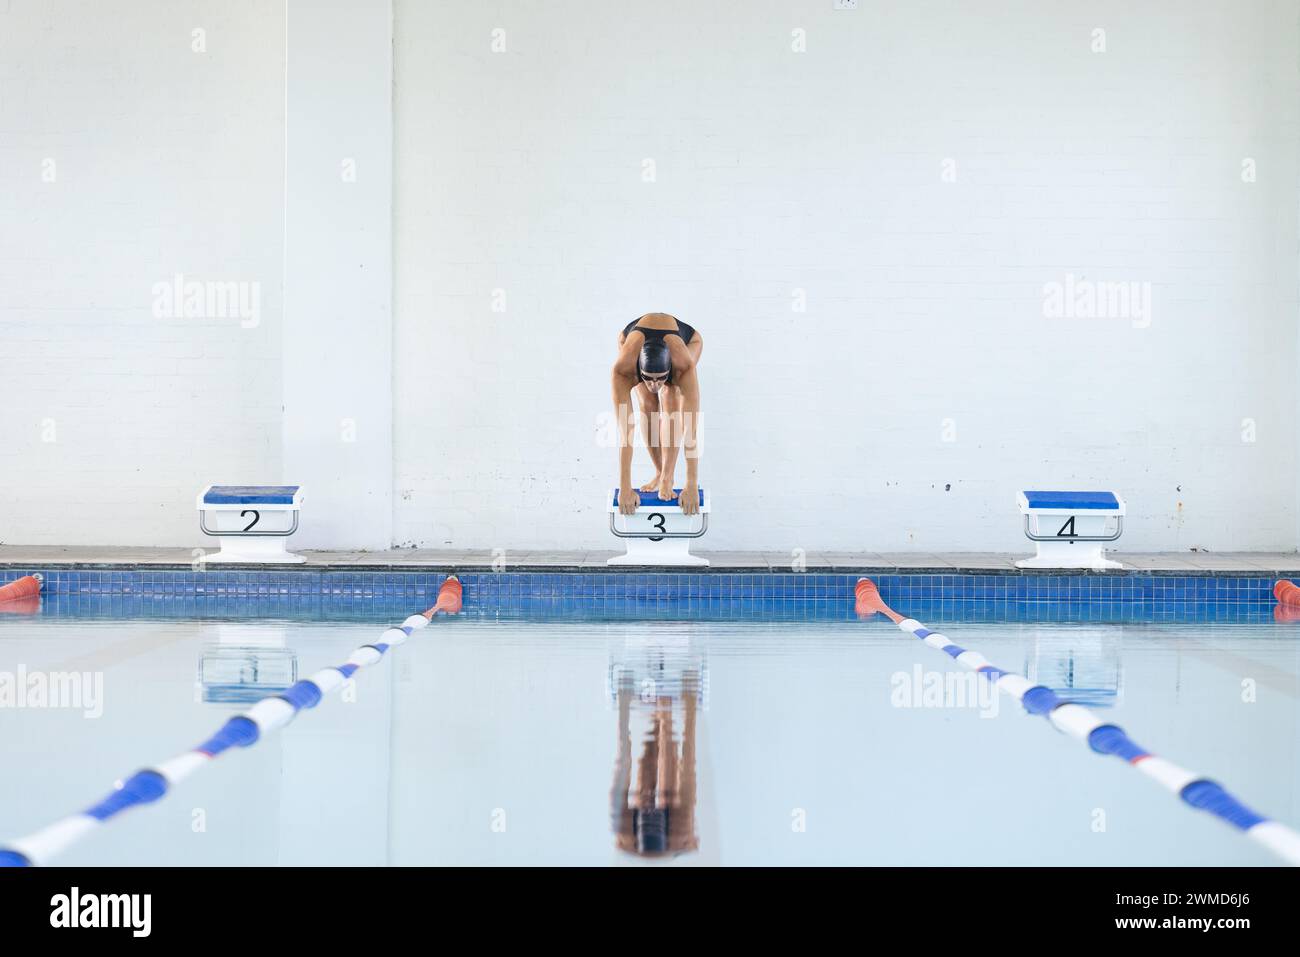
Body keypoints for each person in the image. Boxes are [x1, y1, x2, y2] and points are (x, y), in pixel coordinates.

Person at [610, 313, 704, 516]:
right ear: (638, 370)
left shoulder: (683, 367)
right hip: (631, 339)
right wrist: (625, 487)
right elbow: (626, 433)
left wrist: (691, 485)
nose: (654, 385)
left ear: (670, 369)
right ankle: (659, 471)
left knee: (671, 395)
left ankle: (667, 477)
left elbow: (691, 430)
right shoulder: (623, 370)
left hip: (686, 341)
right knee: (647, 403)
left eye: (660, 378)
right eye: (648, 379)